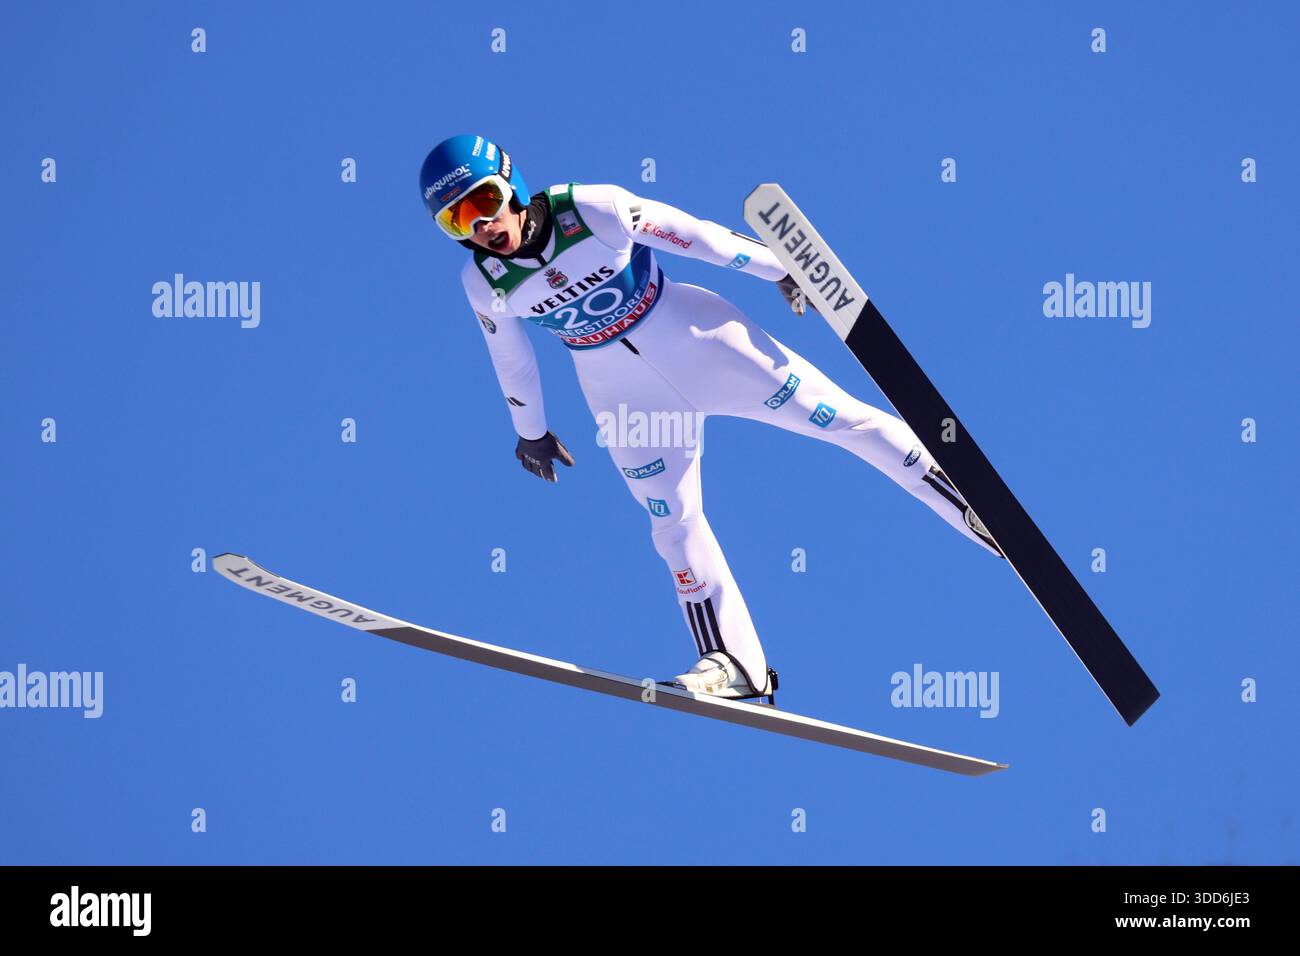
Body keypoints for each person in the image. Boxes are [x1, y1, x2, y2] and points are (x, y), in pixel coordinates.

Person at [420, 134, 1002, 703]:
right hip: (623, 397)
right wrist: (531, 432)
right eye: (456, 221)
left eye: (484, 202)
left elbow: (696, 237)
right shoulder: (484, 280)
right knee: (672, 522)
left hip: (705, 342)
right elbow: (510, 357)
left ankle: (973, 506)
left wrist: (776, 267)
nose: (479, 227)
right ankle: (735, 663)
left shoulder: (591, 208)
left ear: (513, 186)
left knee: (841, 421)